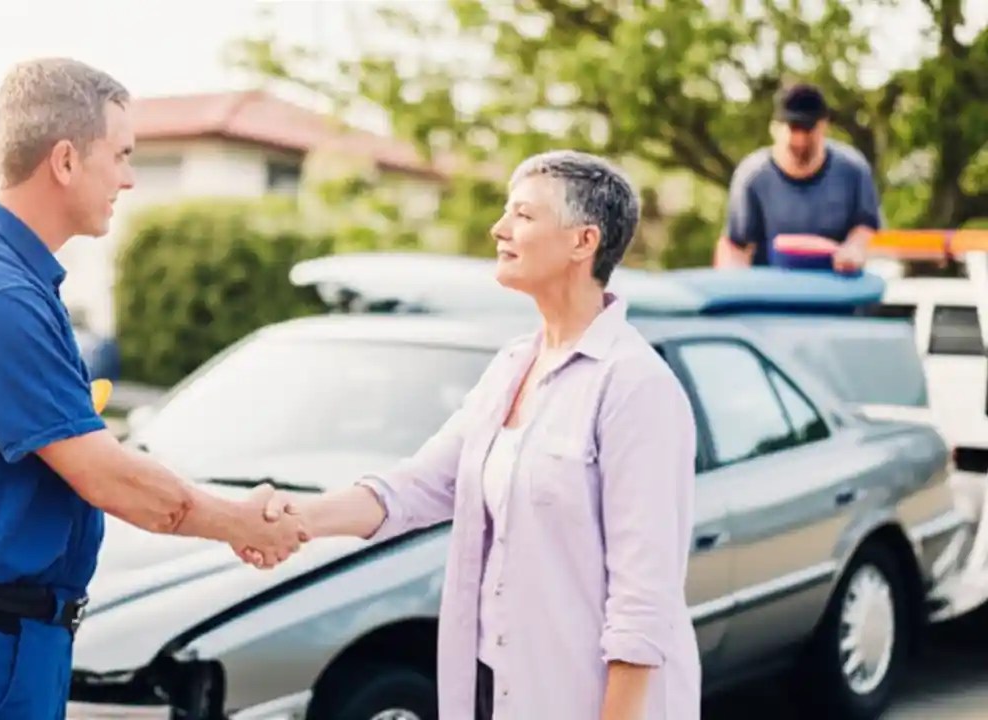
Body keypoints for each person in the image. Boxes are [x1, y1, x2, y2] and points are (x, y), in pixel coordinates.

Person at [0, 57, 303, 720]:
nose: (129, 178)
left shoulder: (4, 279)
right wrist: (240, 522)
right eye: (122, 155)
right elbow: (109, 478)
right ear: (65, 160)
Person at [256, 150, 701, 719]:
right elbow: (417, 487)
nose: (500, 228)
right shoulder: (513, 365)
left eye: (523, 215)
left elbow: (644, 601)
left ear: (582, 241)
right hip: (494, 690)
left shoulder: (636, 386)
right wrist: (296, 519)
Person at [713, 81, 883, 273]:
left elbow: (868, 227)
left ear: (823, 127)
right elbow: (736, 244)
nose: (801, 139)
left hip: (837, 289)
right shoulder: (752, 175)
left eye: (808, 128)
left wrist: (855, 249)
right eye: (794, 128)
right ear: (775, 128)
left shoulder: (853, 169)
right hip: (774, 291)